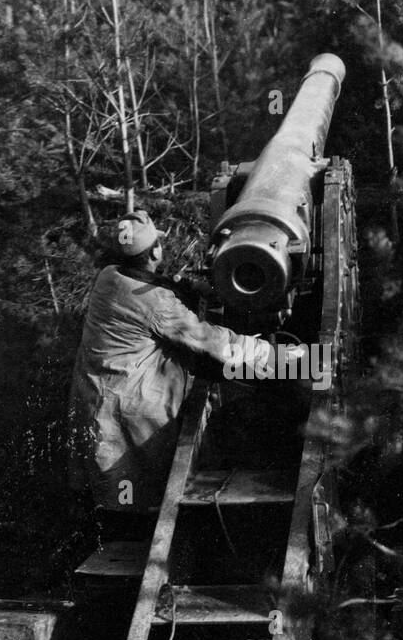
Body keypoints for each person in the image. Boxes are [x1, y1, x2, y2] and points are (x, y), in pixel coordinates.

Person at [68, 209, 272, 527]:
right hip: (131, 402)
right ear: (155, 252)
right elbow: (211, 341)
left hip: (99, 392)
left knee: (116, 492)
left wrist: (182, 286)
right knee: (140, 494)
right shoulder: (156, 303)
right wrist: (275, 357)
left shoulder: (108, 275)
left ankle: (124, 522)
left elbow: (143, 287)